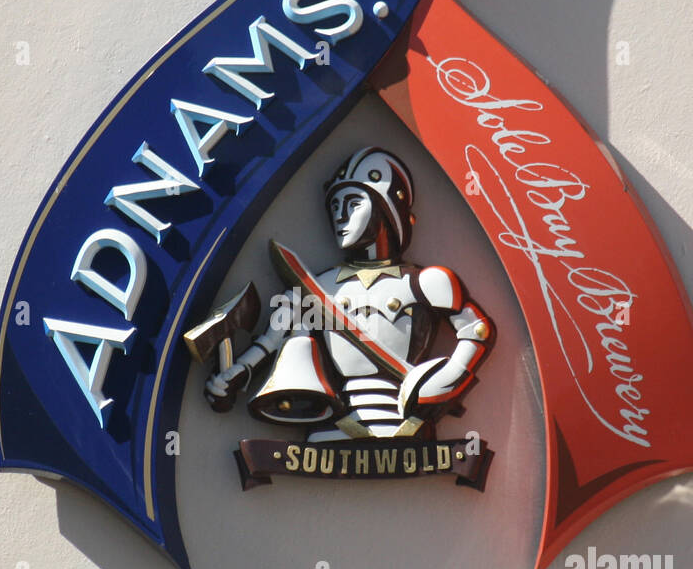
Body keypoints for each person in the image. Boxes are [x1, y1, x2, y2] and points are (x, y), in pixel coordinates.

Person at [205, 147, 493, 440]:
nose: (340, 216)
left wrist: (451, 377)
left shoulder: (424, 282)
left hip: (407, 423)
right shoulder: (314, 285)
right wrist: (235, 374)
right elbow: (270, 341)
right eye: (335, 206)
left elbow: (477, 329)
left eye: (354, 203)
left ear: (386, 209)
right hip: (333, 423)